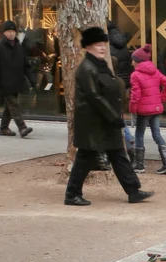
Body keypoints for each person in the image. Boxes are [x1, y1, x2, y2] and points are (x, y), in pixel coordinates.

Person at [64, 27, 153, 206]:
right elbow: (94, 96)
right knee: (85, 158)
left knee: (118, 154)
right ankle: (72, 194)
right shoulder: (87, 68)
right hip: (93, 122)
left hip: (104, 121)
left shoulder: (100, 64)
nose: (103, 48)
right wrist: (114, 117)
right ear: (88, 47)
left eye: (104, 44)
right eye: (98, 44)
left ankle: (133, 190)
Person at [129, 44, 166, 175]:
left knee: (139, 134)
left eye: (133, 60)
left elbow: (135, 95)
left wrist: (133, 108)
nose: (132, 62)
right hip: (156, 108)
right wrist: (162, 98)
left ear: (138, 61)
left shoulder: (135, 75)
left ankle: (139, 164)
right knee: (157, 134)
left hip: (143, 110)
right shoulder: (155, 71)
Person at [0, 20, 34, 138]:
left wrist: (32, 80)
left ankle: (3, 128)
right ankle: (22, 127)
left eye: (13, 31)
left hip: (17, 82)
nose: (11, 34)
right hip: (4, 84)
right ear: (4, 33)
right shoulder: (0, 47)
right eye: (9, 31)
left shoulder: (19, 47)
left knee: (10, 107)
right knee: (14, 105)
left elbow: (26, 65)